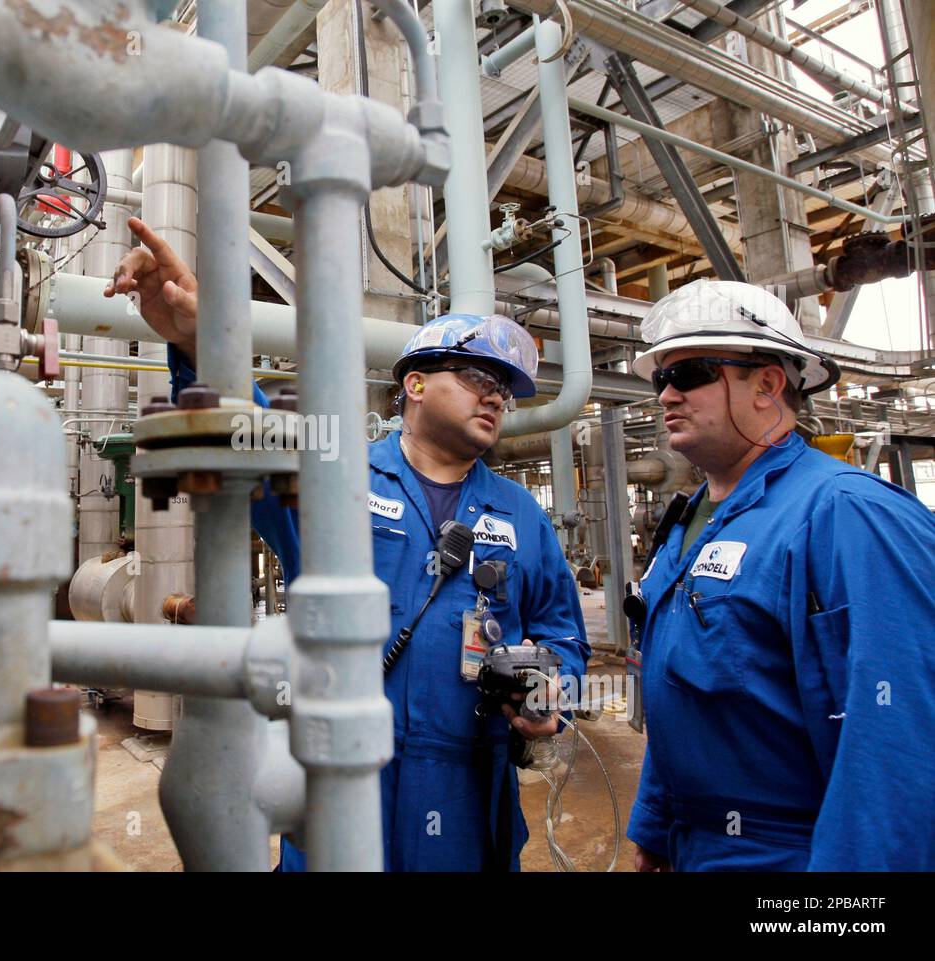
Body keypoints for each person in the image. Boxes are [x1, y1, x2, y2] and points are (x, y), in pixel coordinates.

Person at [105, 216, 588, 872]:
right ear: (414, 384)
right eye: (477, 375)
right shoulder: (336, 478)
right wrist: (199, 342)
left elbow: (562, 633)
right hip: (340, 780)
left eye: (505, 388)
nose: (496, 396)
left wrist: (551, 691)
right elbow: (247, 439)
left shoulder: (521, 514)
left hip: (470, 793)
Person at [625, 279, 935, 872]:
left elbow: (899, 741)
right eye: (660, 378)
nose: (665, 395)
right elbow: (682, 693)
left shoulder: (848, 513)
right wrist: (657, 826)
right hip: (700, 844)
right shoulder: (690, 522)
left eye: (688, 374)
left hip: (795, 853)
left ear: (767, 384)